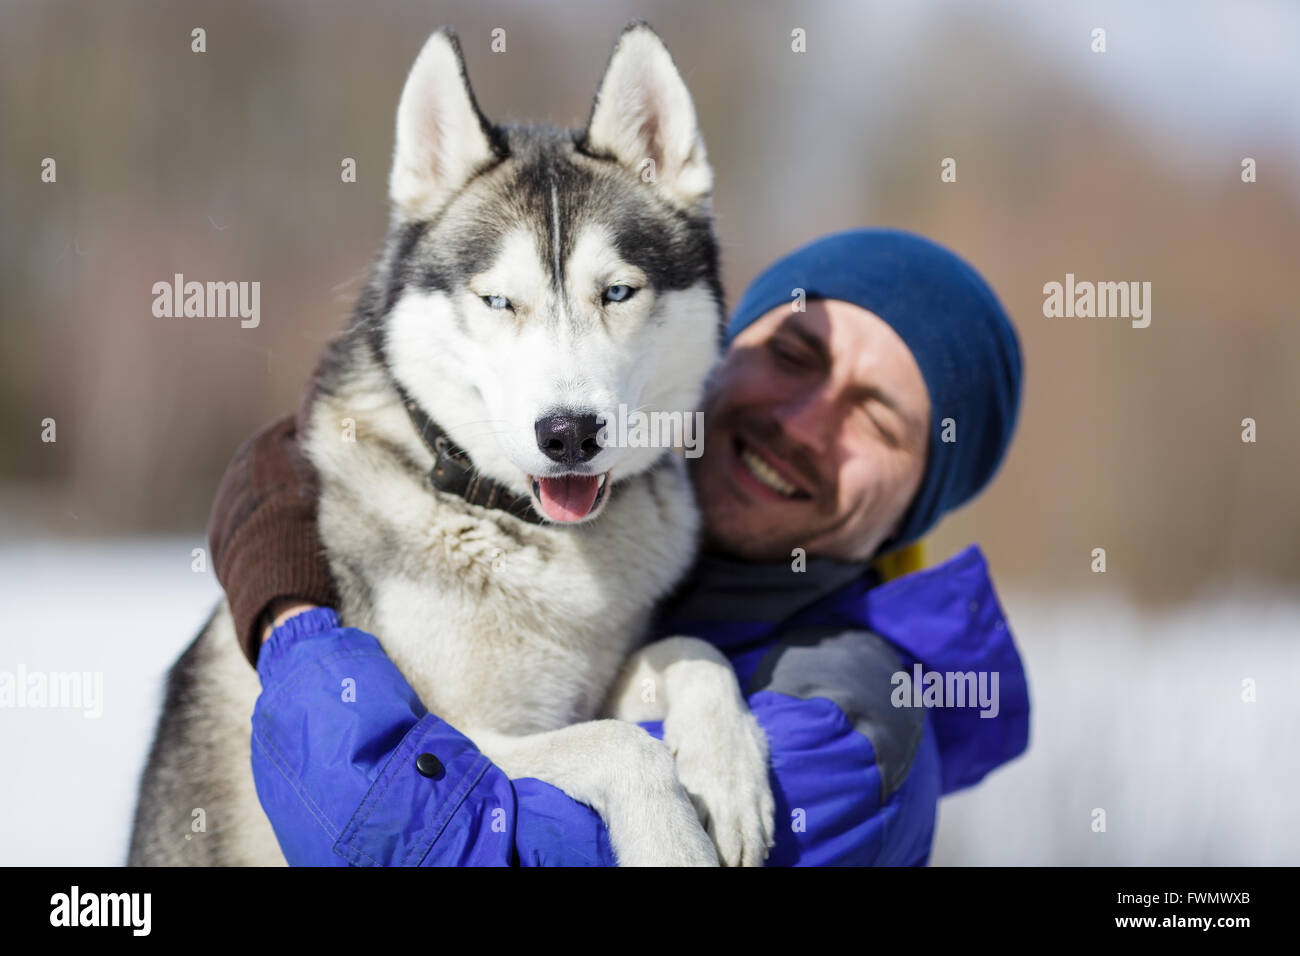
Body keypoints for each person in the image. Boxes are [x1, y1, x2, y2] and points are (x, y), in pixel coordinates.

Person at [210, 228, 1029, 866]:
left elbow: (427, 841)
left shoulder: (850, 729)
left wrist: (291, 613)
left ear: (912, 512)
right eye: (790, 357)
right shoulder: (620, 547)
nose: (800, 424)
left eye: (875, 421)